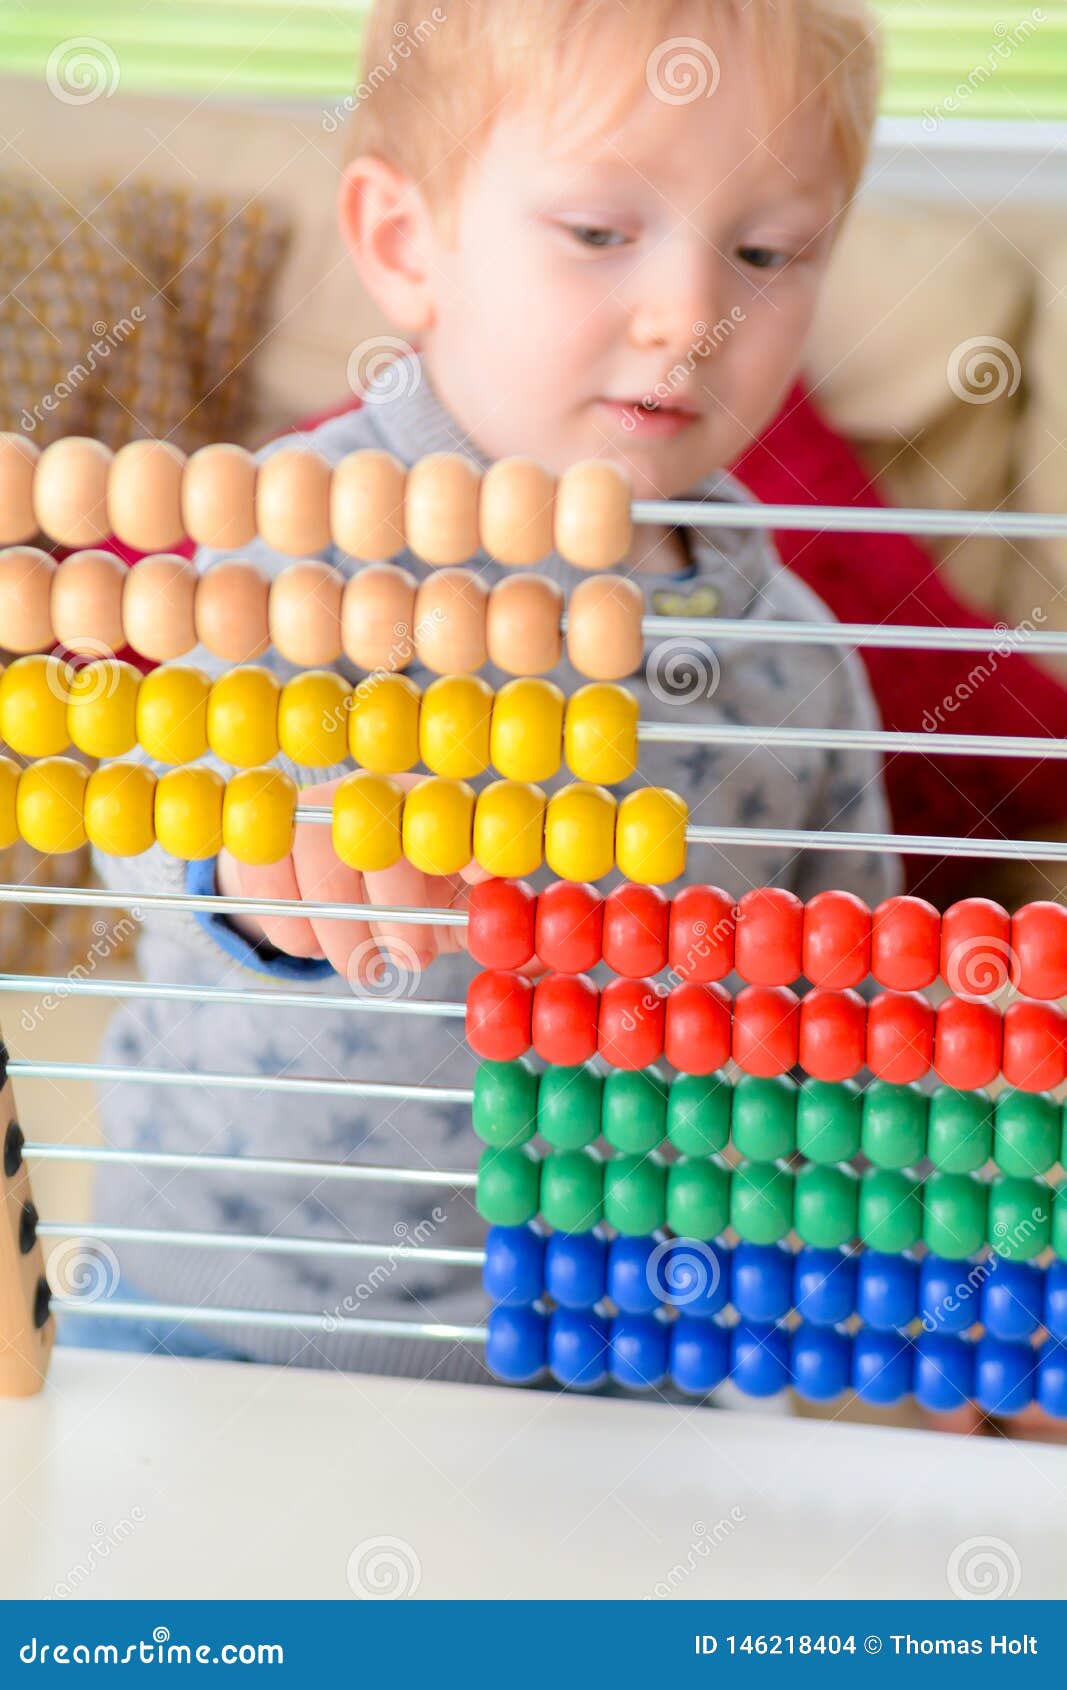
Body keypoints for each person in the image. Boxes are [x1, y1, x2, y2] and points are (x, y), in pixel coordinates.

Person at [72, 0, 898, 1383]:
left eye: (767, 253)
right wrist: (255, 843)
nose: (690, 315)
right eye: (597, 231)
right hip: (218, 1319)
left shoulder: (793, 659)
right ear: (407, 243)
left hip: (624, 1352)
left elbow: (852, 1015)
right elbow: (146, 821)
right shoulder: (304, 540)